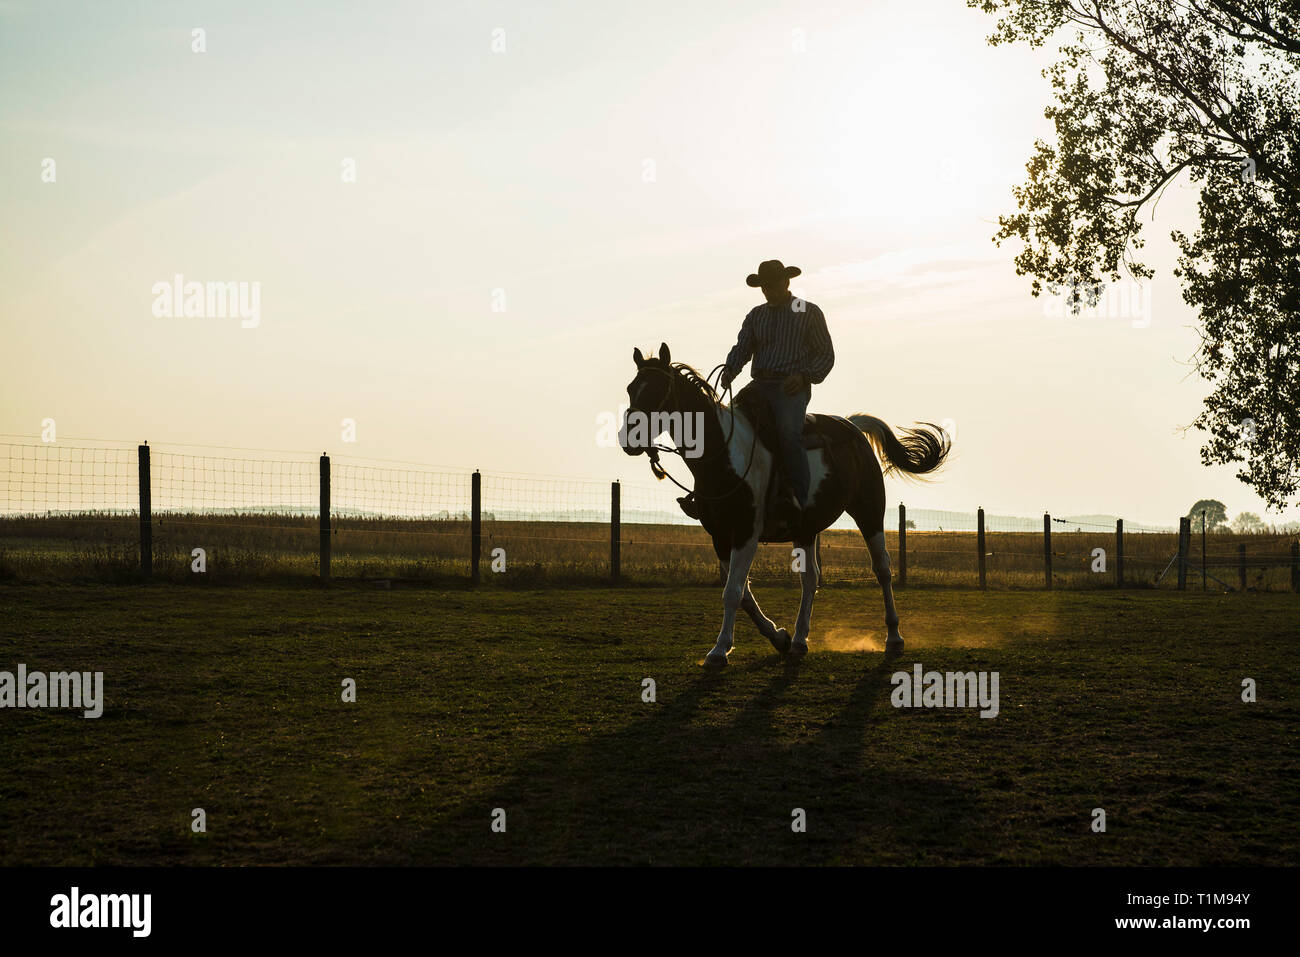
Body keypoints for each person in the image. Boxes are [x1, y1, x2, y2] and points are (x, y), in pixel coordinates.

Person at [720, 259, 834, 523]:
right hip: (759, 384)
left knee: (788, 433)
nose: (767, 291)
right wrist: (729, 370)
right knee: (730, 425)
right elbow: (742, 349)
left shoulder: (808, 312)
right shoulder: (756, 315)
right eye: (764, 287)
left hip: (789, 387)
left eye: (772, 285)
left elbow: (825, 354)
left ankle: (798, 498)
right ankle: (724, 491)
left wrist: (805, 376)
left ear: (786, 282)